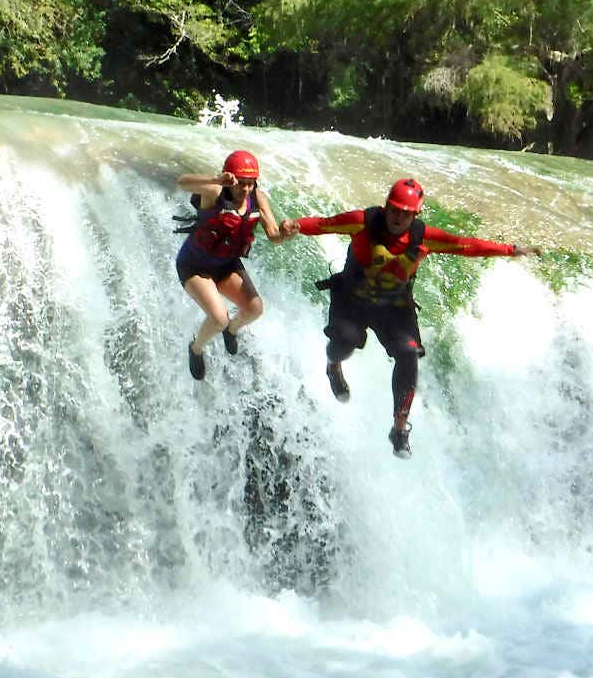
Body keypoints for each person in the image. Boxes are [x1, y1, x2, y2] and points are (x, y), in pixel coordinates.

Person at [280, 178, 541, 459]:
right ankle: (333, 366)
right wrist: (295, 225)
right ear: (386, 206)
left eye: (406, 213)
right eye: (394, 210)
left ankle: (400, 428)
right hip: (352, 298)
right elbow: (323, 224)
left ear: (416, 214)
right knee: (344, 341)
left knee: (409, 353)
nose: (398, 218)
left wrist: (510, 250)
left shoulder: (424, 237)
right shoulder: (362, 222)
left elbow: (465, 246)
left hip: (394, 307)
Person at [175, 150, 286, 381]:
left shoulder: (258, 197)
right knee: (218, 318)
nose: (245, 189)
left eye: (250, 183)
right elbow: (182, 182)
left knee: (255, 309)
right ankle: (195, 348)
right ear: (230, 178)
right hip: (195, 266)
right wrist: (215, 179)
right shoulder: (215, 192)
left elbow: (274, 235)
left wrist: (286, 234)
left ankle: (232, 330)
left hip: (226, 265)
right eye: (241, 183)